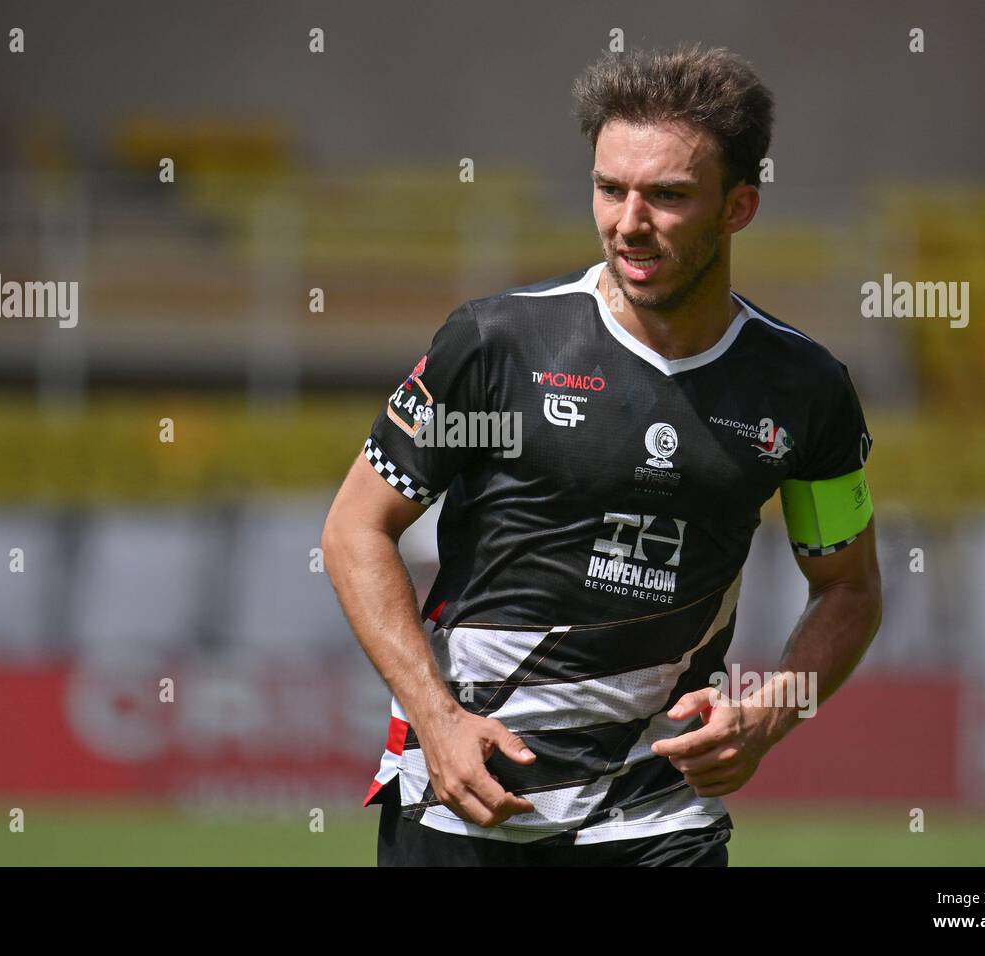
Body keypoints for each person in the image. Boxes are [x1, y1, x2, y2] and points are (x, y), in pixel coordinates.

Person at [322, 42, 883, 867]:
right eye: (609, 189)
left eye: (668, 196)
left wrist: (765, 718)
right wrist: (435, 719)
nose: (629, 222)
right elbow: (354, 530)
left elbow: (849, 587)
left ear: (739, 207)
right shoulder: (497, 344)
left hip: (658, 817)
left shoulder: (802, 390)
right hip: (466, 802)